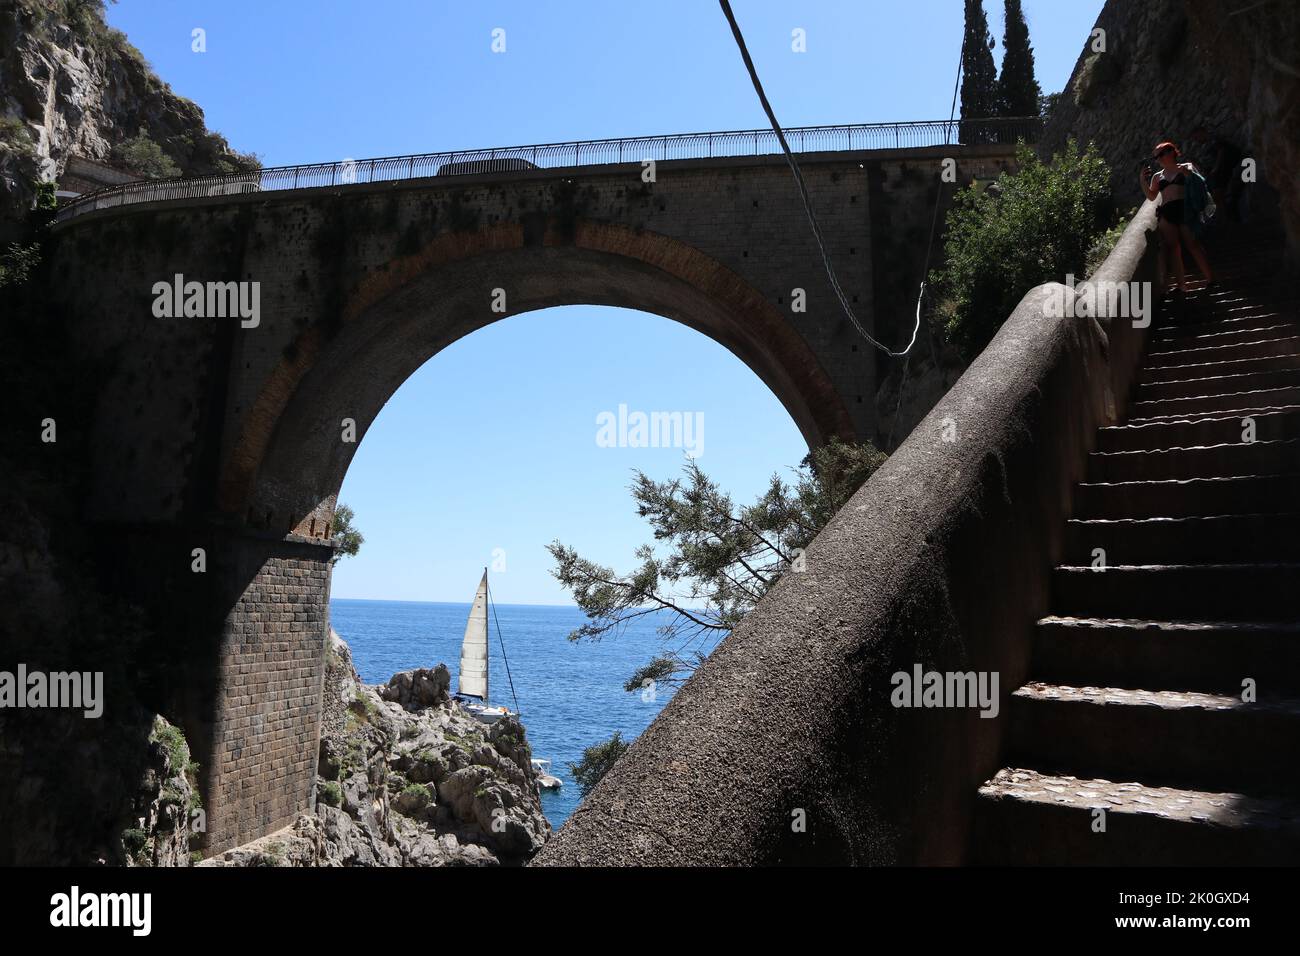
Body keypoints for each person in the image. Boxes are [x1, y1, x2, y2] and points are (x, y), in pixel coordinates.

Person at [1141, 141, 1214, 293]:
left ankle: (1210, 278)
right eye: (1155, 157)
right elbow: (1152, 196)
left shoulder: (1187, 167)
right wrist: (1142, 181)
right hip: (1167, 212)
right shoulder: (1157, 176)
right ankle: (1182, 285)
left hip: (1185, 209)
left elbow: (1201, 184)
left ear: (1171, 152)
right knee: (1174, 248)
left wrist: (1189, 175)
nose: (1158, 159)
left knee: (1193, 244)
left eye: (1161, 154)